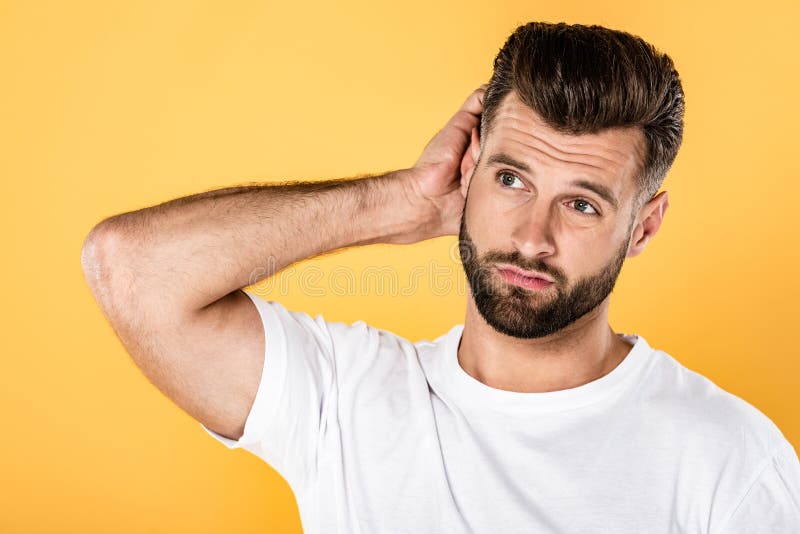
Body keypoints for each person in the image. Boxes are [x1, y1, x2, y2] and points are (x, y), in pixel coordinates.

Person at [81, 21, 800, 533]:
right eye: (512, 179)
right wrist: (403, 201)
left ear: (643, 226)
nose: (530, 238)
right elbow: (130, 268)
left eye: (581, 204)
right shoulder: (349, 400)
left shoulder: (728, 459)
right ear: (470, 169)